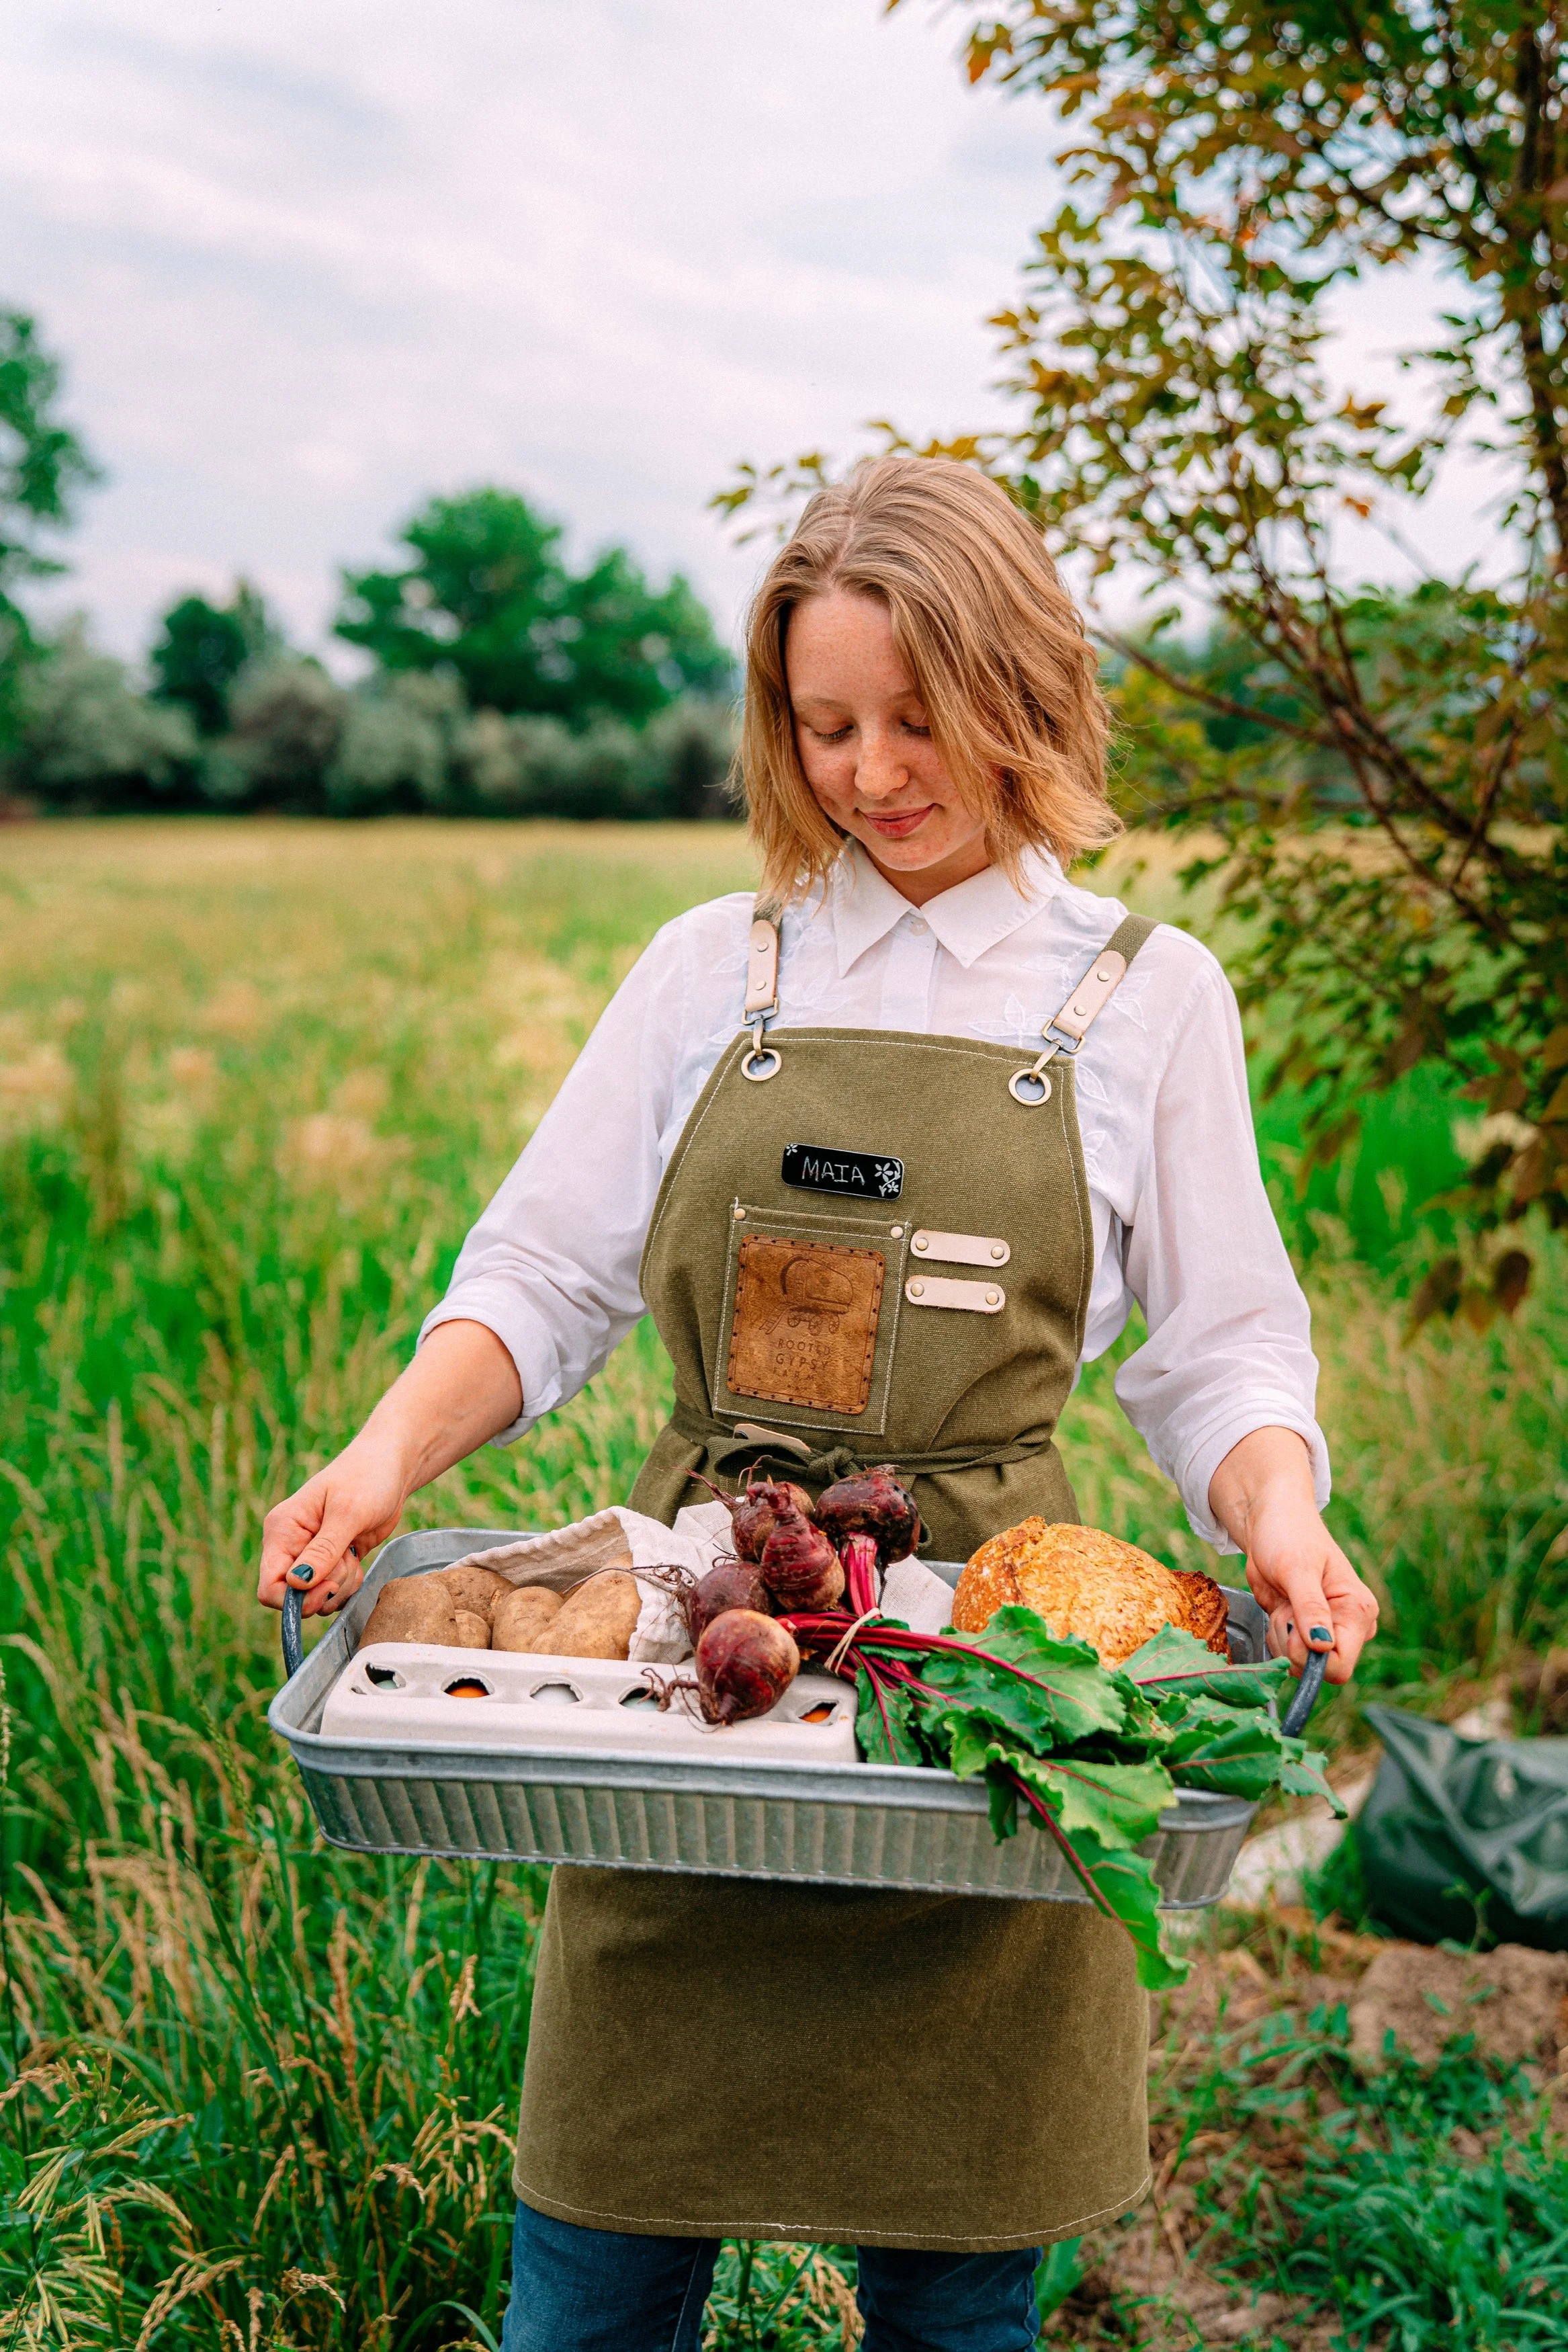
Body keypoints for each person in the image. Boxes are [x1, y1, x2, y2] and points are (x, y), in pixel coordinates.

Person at [259, 456, 1379, 2352]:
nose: (873, 771)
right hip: (699, 1663)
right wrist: (379, 1459)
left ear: (1023, 684)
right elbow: (543, 1274)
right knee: (593, 2293)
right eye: (827, 721)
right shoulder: (719, 967)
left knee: (951, 2311)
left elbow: (1219, 1352)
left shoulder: (1141, 997)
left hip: (979, 1692)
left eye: (920, 715)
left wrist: (1277, 1514)